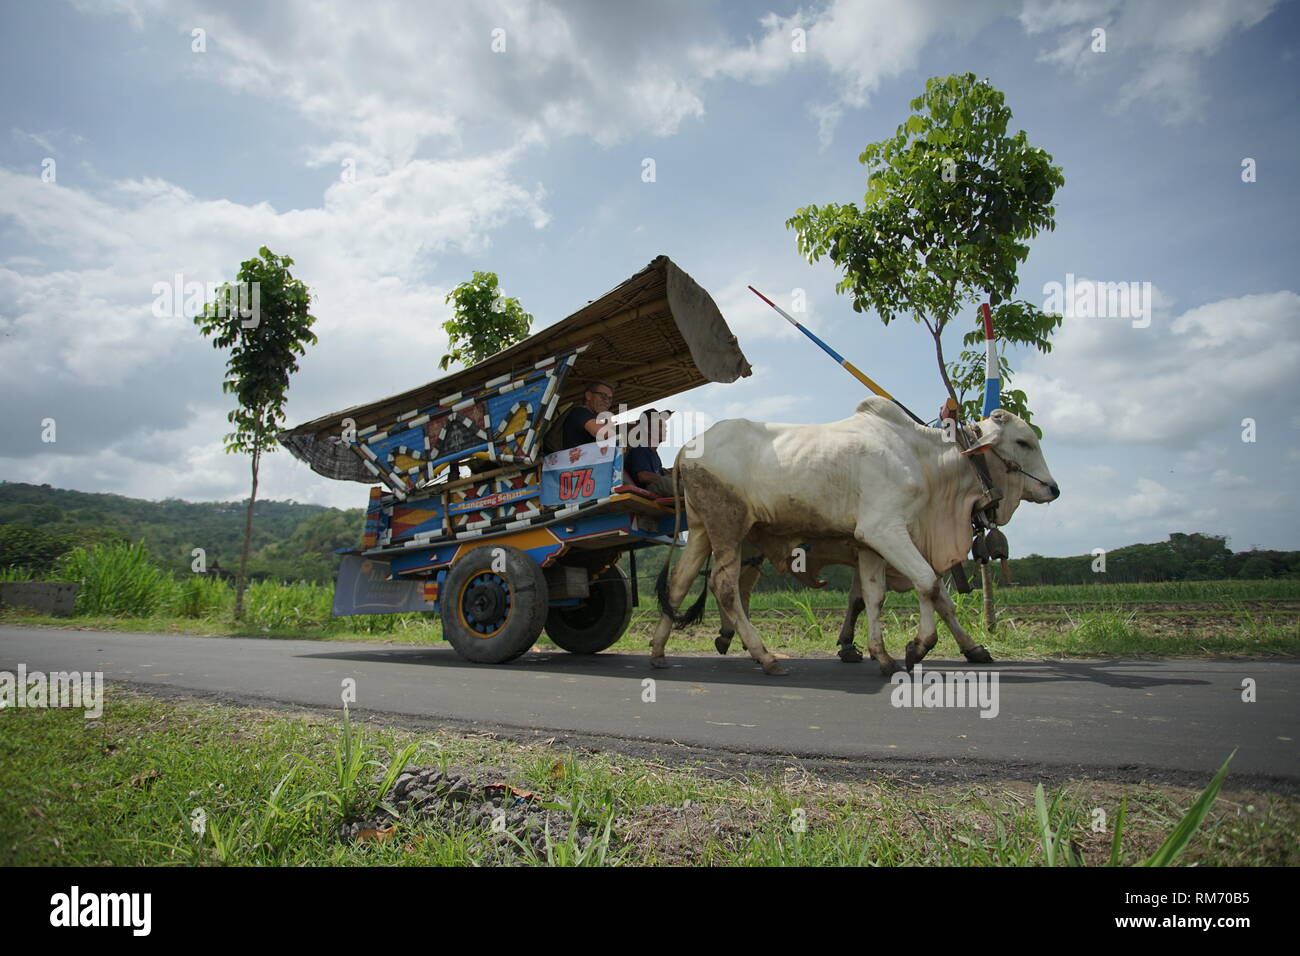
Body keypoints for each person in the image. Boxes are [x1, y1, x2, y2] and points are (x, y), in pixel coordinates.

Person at [624, 408, 675, 497]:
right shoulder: (640, 449)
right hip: (646, 491)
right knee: (683, 486)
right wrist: (668, 480)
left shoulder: (654, 455)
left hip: (654, 488)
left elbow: (659, 473)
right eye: (660, 426)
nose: (665, 429)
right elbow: (643, 476)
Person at [559, 379, 616, 450]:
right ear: (588, 395)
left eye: (610, 399)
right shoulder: (580, 412)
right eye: (603, 396)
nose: (607, 401)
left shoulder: (596, 418)